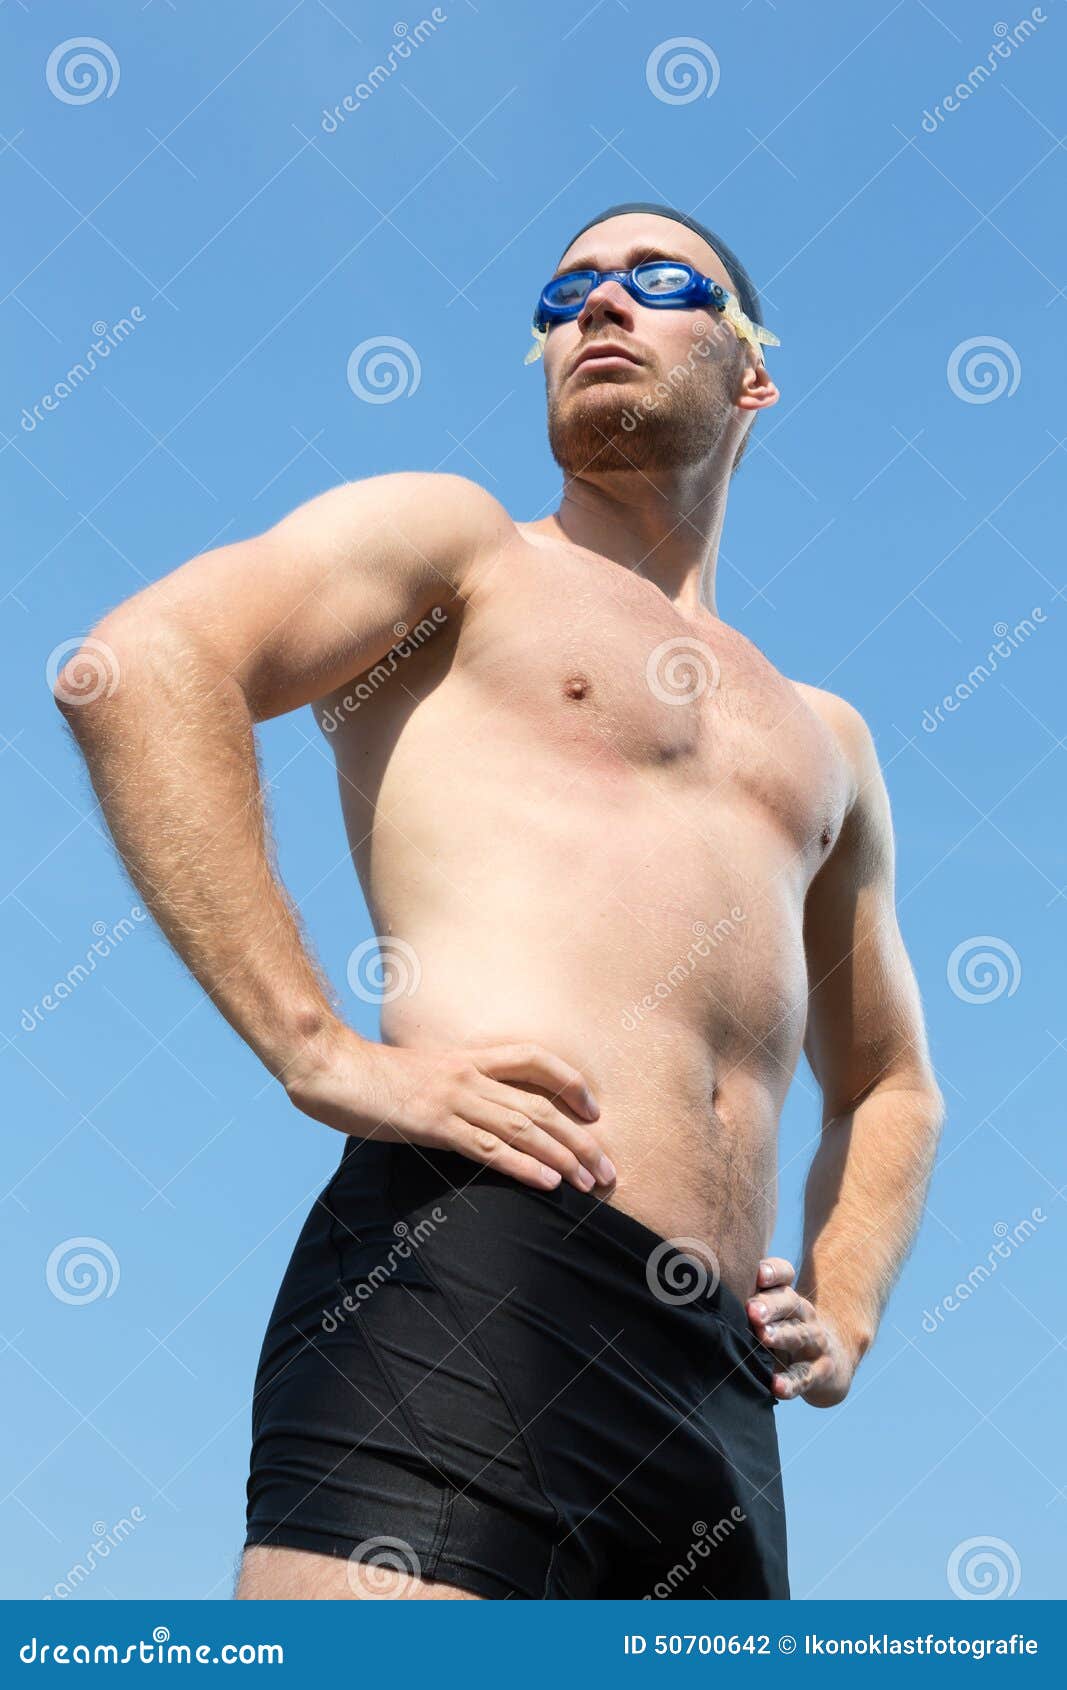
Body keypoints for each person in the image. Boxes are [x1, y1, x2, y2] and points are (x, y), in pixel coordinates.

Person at [54, 204, 944, 1601]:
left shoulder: (827, 738)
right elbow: (141, 664)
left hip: (721, 1393)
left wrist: (847, 1310)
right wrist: (317, 1046)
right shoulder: (463, 552)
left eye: (658, 282)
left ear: (751, 372)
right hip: (468, 1266)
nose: (600, 305)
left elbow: (891, 1079)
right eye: (567, 289)